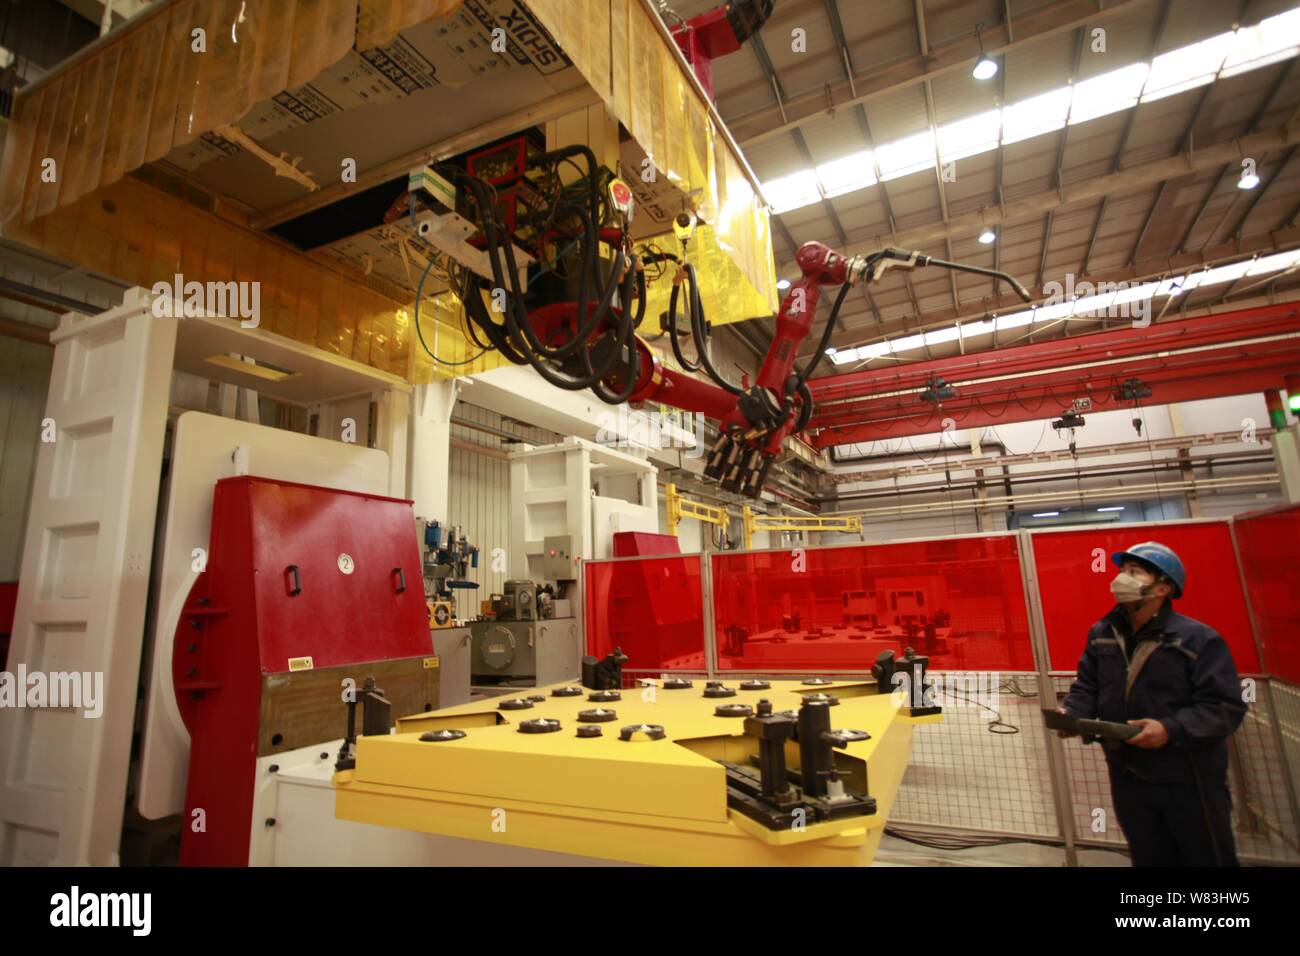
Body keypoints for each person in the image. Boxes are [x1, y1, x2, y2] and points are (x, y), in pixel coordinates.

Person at [1059, 541, 1246, 866]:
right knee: (1148, 856)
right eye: (1122, 571)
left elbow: (1224, 707)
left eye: (1135, 572)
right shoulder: (1102, 632)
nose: (1122, 579)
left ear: (1162, 588)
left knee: (1203, 857)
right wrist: (1073, 714)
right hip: (1127, 773)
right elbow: (1087, 685)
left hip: (1188, 778)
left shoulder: (1197, 640)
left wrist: (1169, 729)